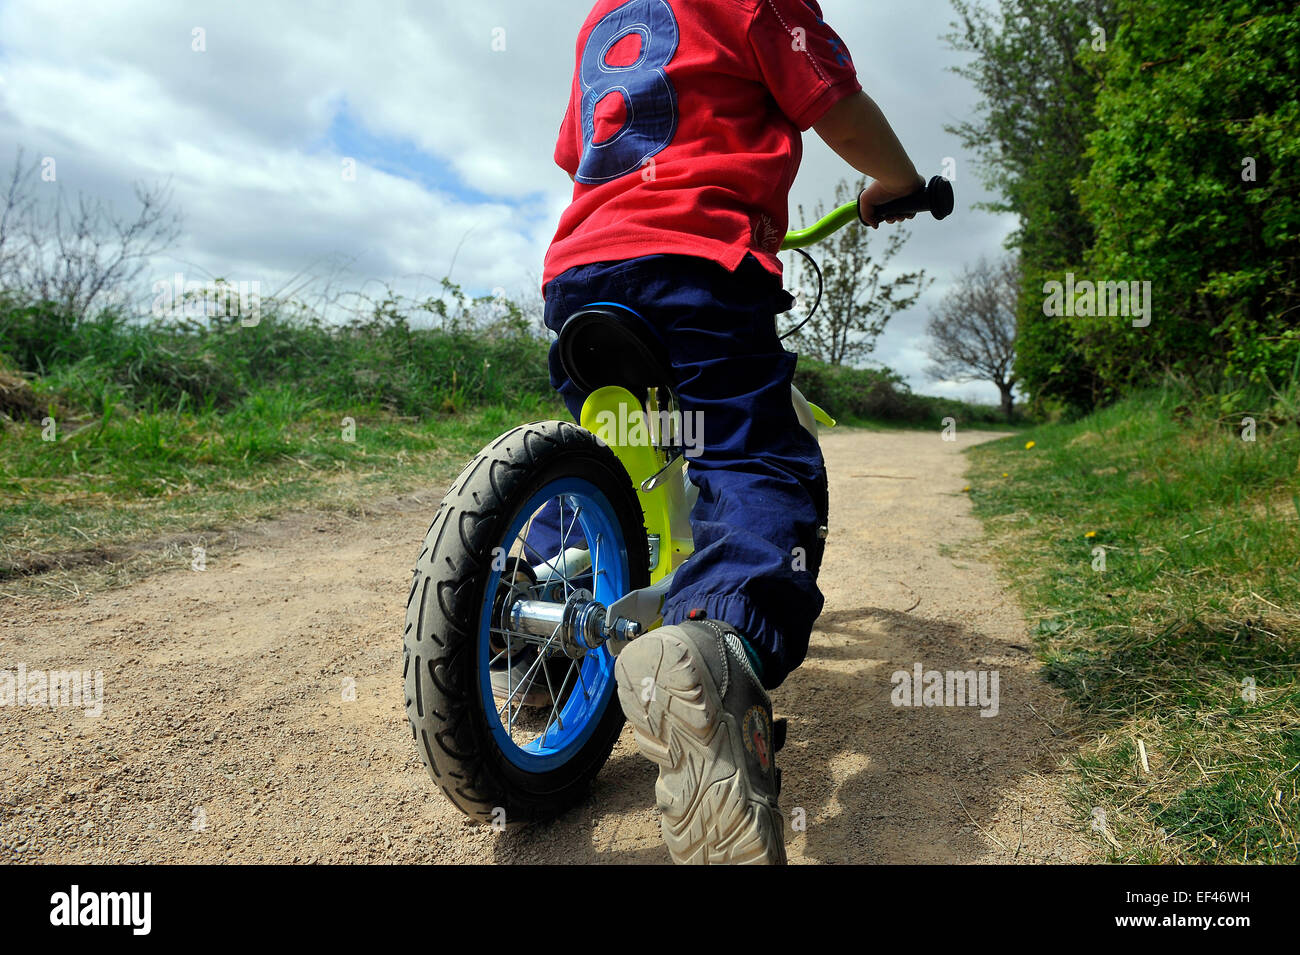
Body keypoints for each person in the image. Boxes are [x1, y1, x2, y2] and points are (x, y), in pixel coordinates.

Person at [540, 0, 925, 864]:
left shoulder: (605, 16)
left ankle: (545, 650)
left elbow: (579, 151)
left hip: (580, 268)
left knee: (608, 453)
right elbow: (836, 102)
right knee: (754, 453)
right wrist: (896, 180)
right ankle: (717, 645)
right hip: (699, 264)